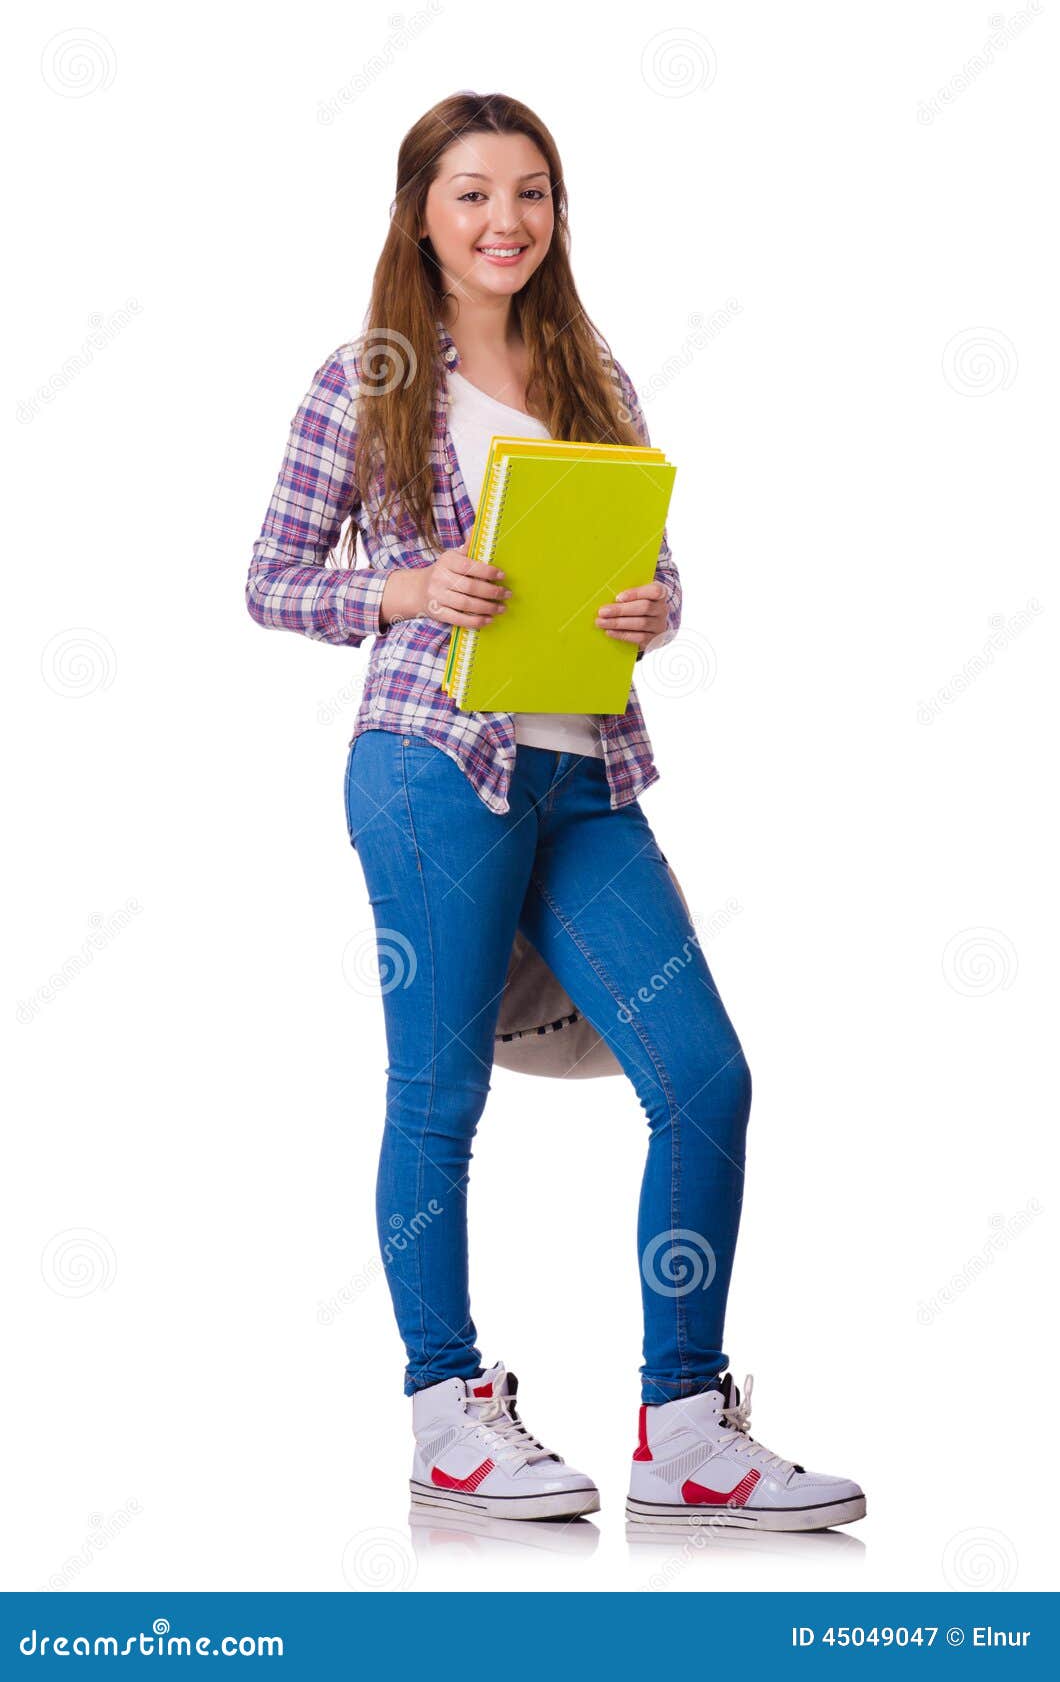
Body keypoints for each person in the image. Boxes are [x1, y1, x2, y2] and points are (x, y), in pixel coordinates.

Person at [247, 91, 865, 1532]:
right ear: (421, 214)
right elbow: (272, 579)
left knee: (704, 1078)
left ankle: (686, 1431)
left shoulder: (591, 370)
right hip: (430, 765)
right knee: (438, 1097)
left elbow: (655, 567)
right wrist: (407, 585)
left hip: (585, 769)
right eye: (472, 193)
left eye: (530, 192)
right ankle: (448, 1419)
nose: (505, 220)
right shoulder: (368, 377)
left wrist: (652, 608)